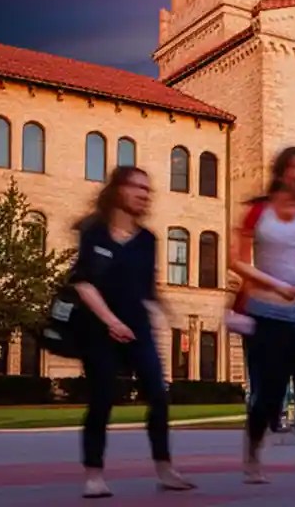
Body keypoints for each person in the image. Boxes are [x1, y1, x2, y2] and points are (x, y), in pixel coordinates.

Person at [69, 166, 195, 498]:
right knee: (102, 400)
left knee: (158, 395)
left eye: (147, 189)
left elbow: (147, 289)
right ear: (118, 190)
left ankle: (166, 469)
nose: (144, 194)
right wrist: (111, 322)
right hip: (99, 330)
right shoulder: (93, 232)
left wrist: (165, 313)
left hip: (138, 329)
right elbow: (83, 283)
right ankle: (94, 475)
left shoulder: (147, 240)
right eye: (137, 187)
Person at [231, 147, 295, 490]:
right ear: (283, 172)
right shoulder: (258, 214)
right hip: (268, 314)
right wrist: (277, 286)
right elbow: (237, 263)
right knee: (269, 395)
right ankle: (253, 454)